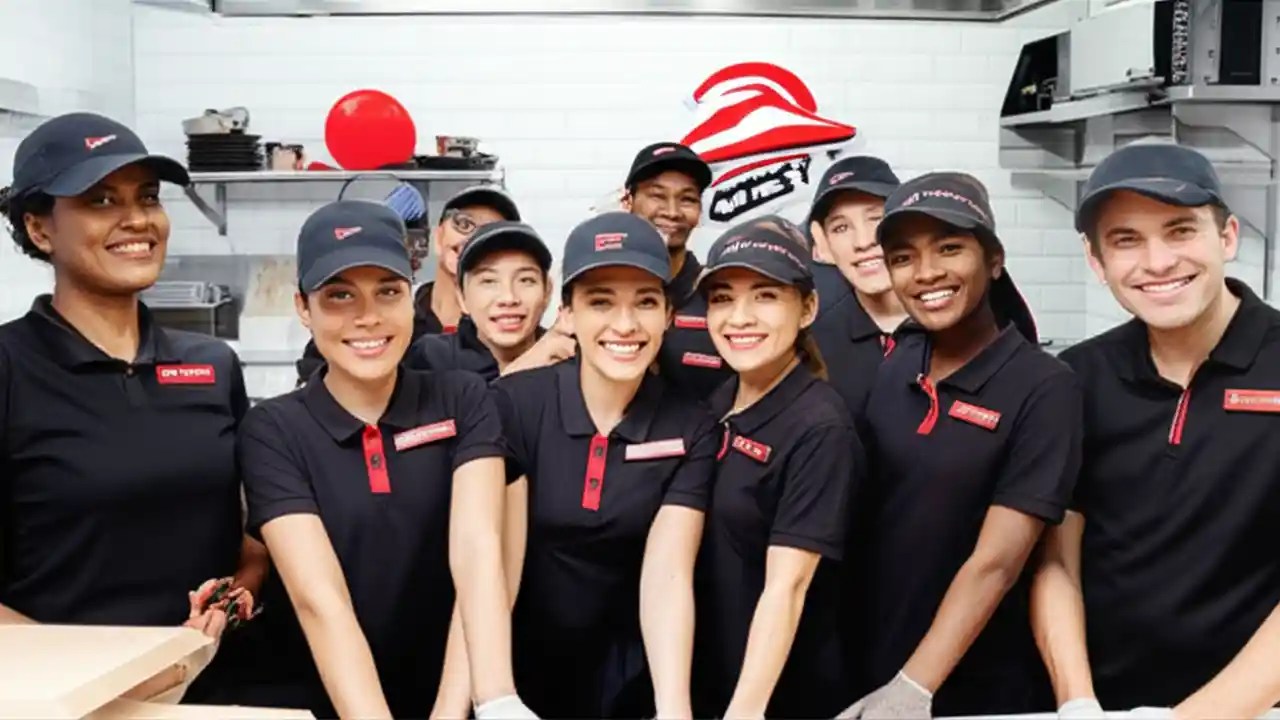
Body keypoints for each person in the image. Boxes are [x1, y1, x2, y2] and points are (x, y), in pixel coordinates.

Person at [0, 111, 266, 701]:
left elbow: (252, 540)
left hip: (216, 689)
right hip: (61, 701)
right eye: (100, 200)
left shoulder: (212, 365)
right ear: (39, 230)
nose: (138, 219)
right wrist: (109, 681)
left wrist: (232, 599)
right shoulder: (10, 367)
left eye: (148, 196)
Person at [234, 200, 527, 718]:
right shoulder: (274, 430)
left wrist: (471, 705)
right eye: (339, 295)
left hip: (450, 693)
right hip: (318, 703)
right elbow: (319, 601)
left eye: (387, 292)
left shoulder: (464, 399)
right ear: (303, 307)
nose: (367, 316)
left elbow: (478, 553)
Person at [1031, 144, 1280, 719]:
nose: (1158, 261)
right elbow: (1056, 562)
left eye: (1180, 230)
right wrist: (1077, 702)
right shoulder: (1076, 380)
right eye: (1126, 240)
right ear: (1096, 262)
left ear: (1228, 237)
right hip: (1107, 705)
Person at [841, 172, 1082, 718]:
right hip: (871, 656)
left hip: (971, 682)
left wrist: (914, 686)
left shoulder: (1044, 387)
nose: (926, 273)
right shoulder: (902, 358)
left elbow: (997, 561)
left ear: (993, 260)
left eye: (950, 248)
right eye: (903, 257)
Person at [490, 212, 719, 719]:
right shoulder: (514, 406)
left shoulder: (692, 427)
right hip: (517, 670)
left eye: (645, 302)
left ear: (669, 315)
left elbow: (668, 574)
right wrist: (491, 696)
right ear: (566, 313)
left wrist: (673, 709)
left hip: (630, 678)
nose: (625, 325)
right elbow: (491, 569)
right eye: (600, 302)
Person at [691, 216, 860, 720]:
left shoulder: (820, 429)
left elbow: (788, 588)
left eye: (765, 296)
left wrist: (744, 711)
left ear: (807, 308)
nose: (739, 317)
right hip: (707, 678)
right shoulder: (718, 403)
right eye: (722, 298)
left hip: (775, 697)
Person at [295, 184, 521, 384]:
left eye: (491, 233)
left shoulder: (516, 333)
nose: (472, 238)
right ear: (438, 236)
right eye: (463, 223)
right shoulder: (382, 323)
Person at [622, 141, 734, 402]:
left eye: (687, 199)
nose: (672, 212)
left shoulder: (719, 294)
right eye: (657, 196)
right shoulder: (600, 285)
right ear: (628, 201)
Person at [406, 220, 574, 381]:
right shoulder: (433, 357)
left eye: (525, 280)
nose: (508, 298)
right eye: (489, 281)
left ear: (547, 291)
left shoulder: (569, 359)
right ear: (462, 296)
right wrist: (529, 364)